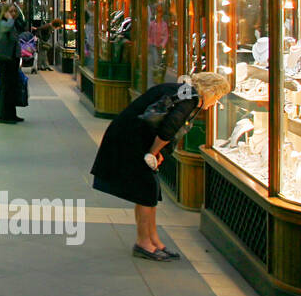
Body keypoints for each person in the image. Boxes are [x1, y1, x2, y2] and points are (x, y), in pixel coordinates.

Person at [90, 72, 229, 260]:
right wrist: (154, 152)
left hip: (130, 135)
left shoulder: (179, 90)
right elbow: (168, 130)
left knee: (149, 190)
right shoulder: (190, 99)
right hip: (131, 140)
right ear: (211, 90)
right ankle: (144, 243)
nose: (215, 103)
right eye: (218, 97)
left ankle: (153, 240)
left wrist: (157, 153)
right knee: (146, 190)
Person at [0, 3, 26, 124]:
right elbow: (6, 33)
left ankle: (12, 113)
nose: (13, 14)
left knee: (12, 86)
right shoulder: (3, 24)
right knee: (6, 87)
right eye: (10, 11)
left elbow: (23, 25)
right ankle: (4, 115)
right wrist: (10, 19)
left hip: (13, 58)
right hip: (6, 59)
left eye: (14, 11)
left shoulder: (13, 23)